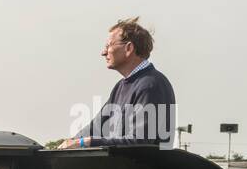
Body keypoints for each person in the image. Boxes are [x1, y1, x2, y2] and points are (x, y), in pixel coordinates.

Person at [60, 17, 176, 148]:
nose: (103, 52)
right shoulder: (121, 86)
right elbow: (96, 126)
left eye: (108, 45)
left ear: (129, 48)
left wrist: (86, 142)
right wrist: (69, 142)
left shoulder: (151, 85)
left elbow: (140, 142)